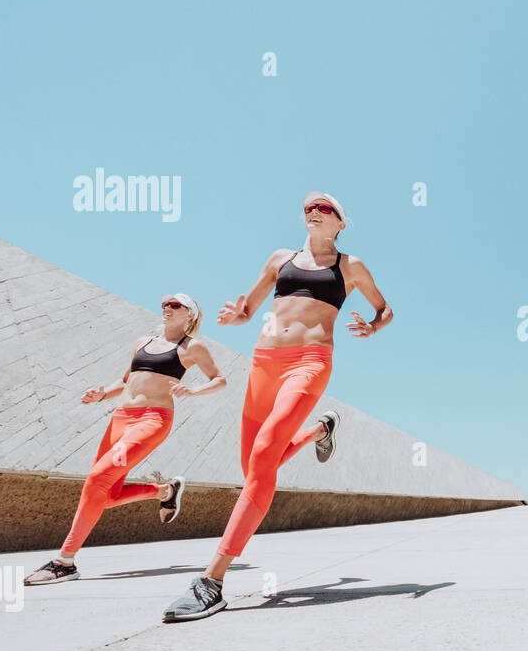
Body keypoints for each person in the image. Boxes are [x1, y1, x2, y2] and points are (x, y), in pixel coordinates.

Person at [162, 192, 392, 622]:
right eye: (308, 207)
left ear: (341, 223)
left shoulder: (350, 267)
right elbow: (249, 307)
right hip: (264, 364)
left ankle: (211, 581)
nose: (313, 212)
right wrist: (237, 315)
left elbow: (385, 308)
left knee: (266, 453)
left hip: (309, 363)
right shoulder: (280, 259)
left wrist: (373, 326)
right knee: (254, 470)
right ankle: (318, 432)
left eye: (324, 208)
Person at [24, 294, 226, 585]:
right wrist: (102, 394)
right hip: (120, 418)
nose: (166, 308)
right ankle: (165, 491)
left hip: (152, 419)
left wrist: (192, 391)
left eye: (175, 305)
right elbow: (126, 381)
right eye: (165, 304)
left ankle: (64, 561)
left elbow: (219, 379)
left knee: (97, 478)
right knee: (104, 495)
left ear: (190, 315)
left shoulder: (191, 347)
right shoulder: (141, 343)